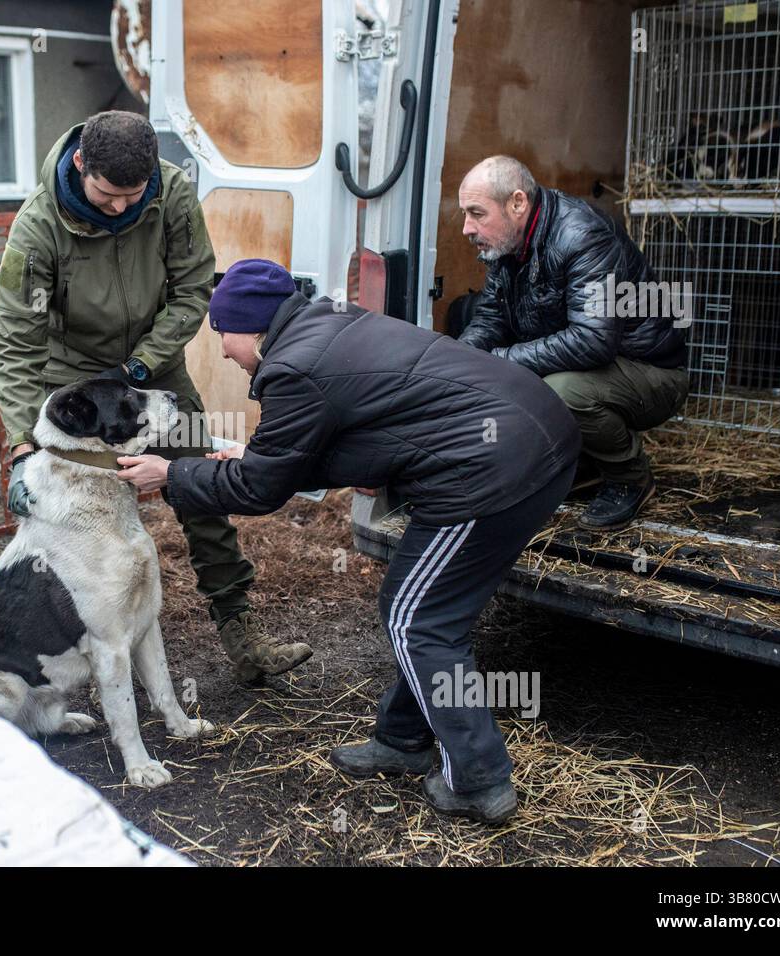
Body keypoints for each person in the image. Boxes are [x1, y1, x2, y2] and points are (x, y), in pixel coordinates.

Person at [117, 259, 581, 824]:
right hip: (532, 438)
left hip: (492, 468)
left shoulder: (293, 368)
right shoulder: (326, 325)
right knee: (424, 614)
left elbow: (260, 490)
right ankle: (403, 738)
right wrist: (255, 457)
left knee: (419, 620)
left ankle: (479, 780)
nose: (221, 351)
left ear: (253, 325)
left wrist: (173, 476)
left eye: (222, 334)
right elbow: (343, 438)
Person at [0, 110, 310, 682]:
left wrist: (139, 365)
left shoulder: (172, 193)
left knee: (203, 491)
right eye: (109, 196)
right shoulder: (37, 228)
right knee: (65, 517)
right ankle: (45, 651)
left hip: (153, 372)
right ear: (80, 164)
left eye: (133, 197)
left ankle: (242, 635)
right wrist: (21, 445)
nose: (120, 208)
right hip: (77, 391)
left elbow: (192, 290)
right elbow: (15, 343)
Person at [457, 156, 688, 529]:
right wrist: (459, 361)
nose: (467, 227)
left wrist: (500, 360)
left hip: (652, 372)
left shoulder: (582, 235)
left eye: (477, 213)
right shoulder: (508, 242)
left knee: (562, 391)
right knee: (491, 359)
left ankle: (630, 479)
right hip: (594, 367)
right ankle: (582, 466)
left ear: (517, 203)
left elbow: (593, 340)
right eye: (465, 214)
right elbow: (490, 318)